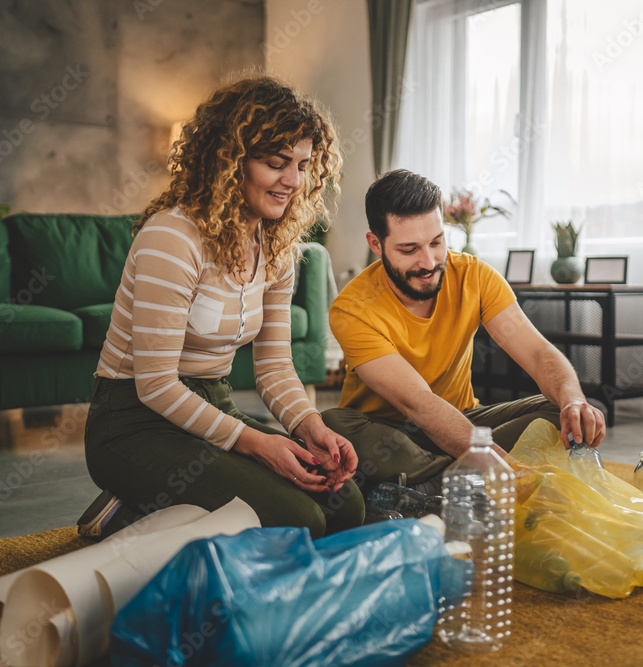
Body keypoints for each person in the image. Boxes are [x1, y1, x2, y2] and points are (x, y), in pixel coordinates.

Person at [78, 76, 363, 540]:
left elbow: (273, 368)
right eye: (276, 163)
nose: (293, 181)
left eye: (303, 165)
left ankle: (160, 510)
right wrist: (256, 444)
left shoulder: (277, 248)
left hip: (213, 404)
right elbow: (155, 386)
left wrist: (310, 426)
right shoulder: (172, 237)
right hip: (131, 422)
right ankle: (134, 507)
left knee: (343, 505)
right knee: (300, 520)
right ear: (230, 162)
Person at [323, 169, 606, 493]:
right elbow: (417, 402)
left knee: (561, 409)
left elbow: (539, 353)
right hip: (389, 432)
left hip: (463, 423)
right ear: (376, 243)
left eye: (436, 242)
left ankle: (430, 486)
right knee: (335, 424)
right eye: (409, 249)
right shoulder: (352, 308)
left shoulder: (476, 276)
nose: (429, 262)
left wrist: (573, 401)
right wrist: (506, 469)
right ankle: (461, 479)